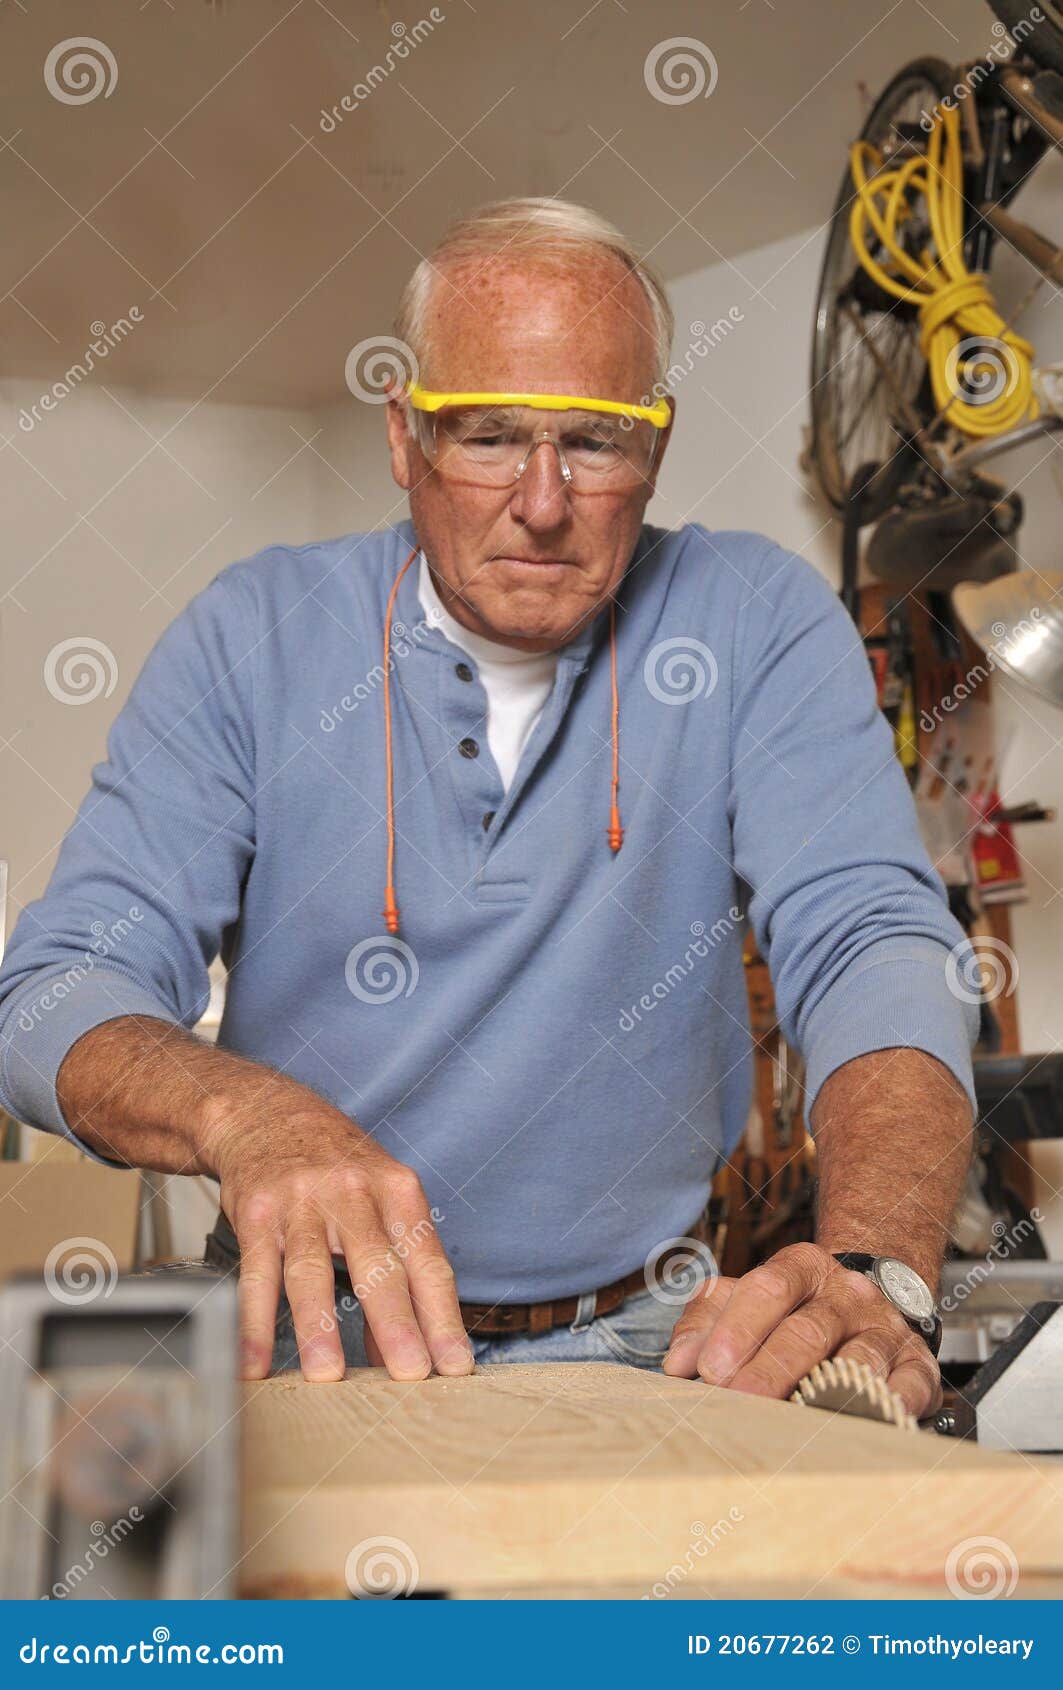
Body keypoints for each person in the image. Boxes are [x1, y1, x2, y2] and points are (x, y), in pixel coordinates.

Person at [0, 198, 976, 1416]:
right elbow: (51, 992)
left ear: (656, 450)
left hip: (647, 1333)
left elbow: (871, 940)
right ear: (404, 438)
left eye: (597, 441)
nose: (545, 498)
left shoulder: (755, 617)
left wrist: (875, 1262)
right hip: (310, 1325)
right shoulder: (252, 635)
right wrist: (241, 1110)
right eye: (490, 437)